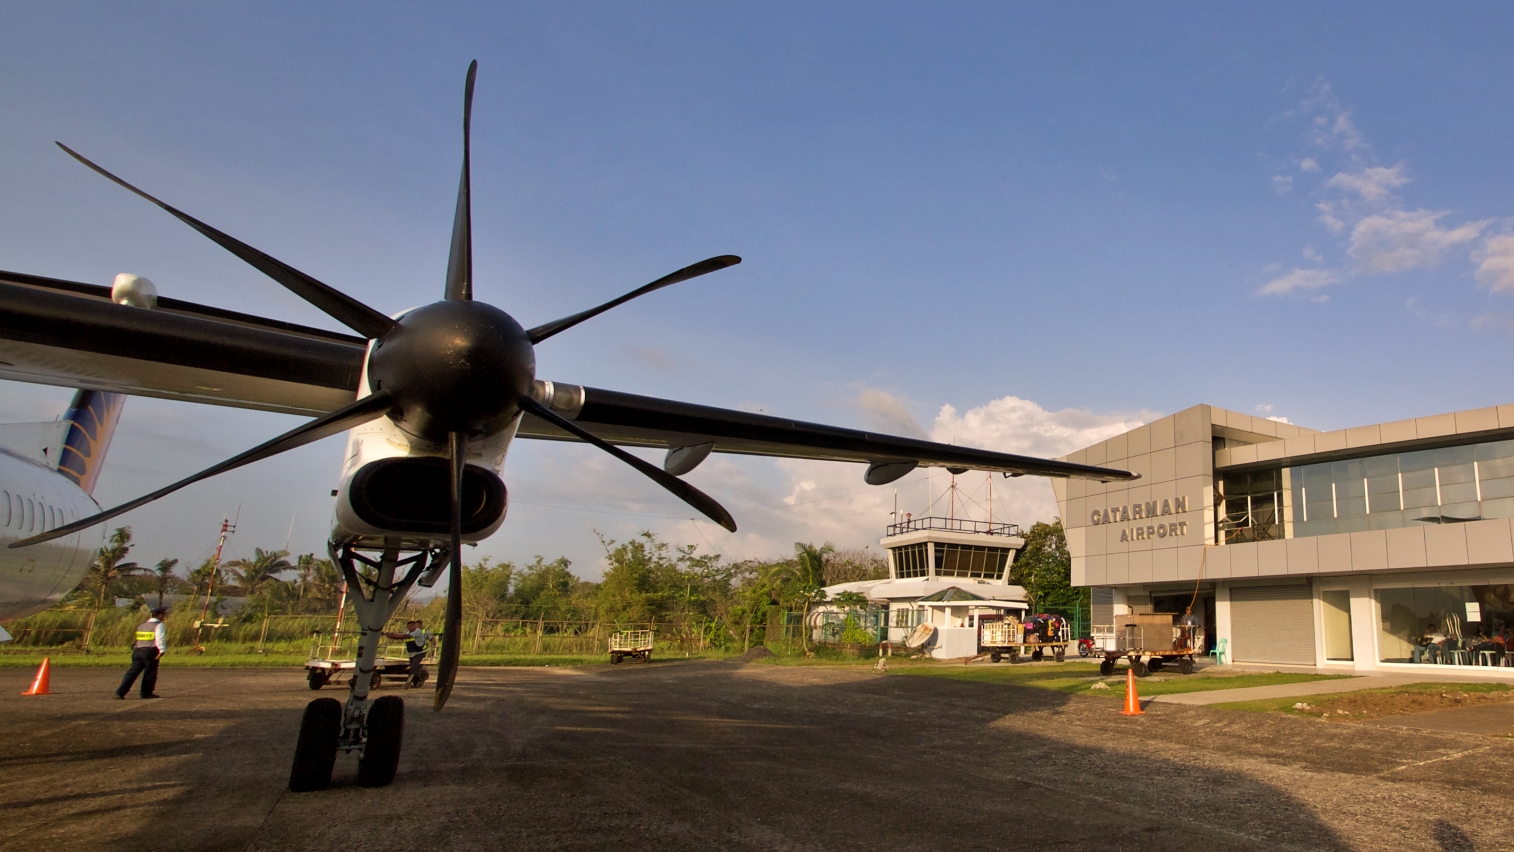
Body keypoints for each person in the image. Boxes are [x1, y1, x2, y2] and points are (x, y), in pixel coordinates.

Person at [116, 606, 168, 699]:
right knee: (150, 672)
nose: (164, 616)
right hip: (150, 651)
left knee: (132, 672)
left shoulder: (141, 625)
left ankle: (120, 692)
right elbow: (160, 639)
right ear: (159, 615)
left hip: (138, 651)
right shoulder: (159, 625)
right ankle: (146, 693)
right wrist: (162, 650)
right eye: (164, 614)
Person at [385, 619, 430, 687]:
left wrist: (392, 635)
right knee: (414, 667)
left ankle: (408, 683)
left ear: (415, 626)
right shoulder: (408, 632)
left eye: (412, 626)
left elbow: (405, 636)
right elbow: (400, 636)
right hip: (412, 653)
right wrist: (391, 635)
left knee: (414, 666)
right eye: (409, 626)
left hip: (420, 652)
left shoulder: (418, 631)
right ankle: (420, 678)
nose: (410, 628)